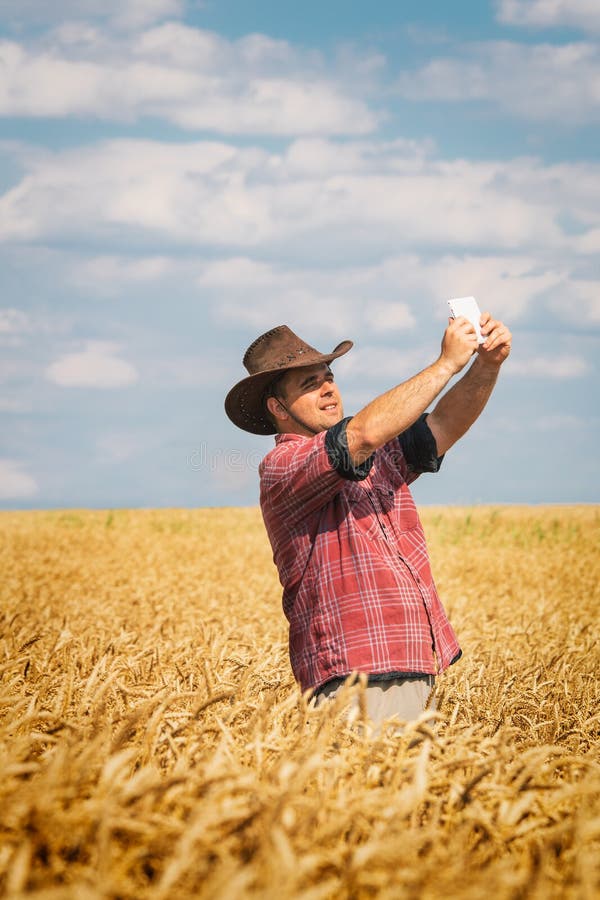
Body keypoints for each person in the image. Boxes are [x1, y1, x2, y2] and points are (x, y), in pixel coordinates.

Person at [225, 313, 511, 728]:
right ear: (277, 408)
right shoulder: (281, 467)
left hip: (412, 661)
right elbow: (361, 435)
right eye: (309, 384)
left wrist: (487, 365)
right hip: (355, 674)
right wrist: (446, 364)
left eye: (328, 377)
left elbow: (444, 423)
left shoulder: (374, 457)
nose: (328, 389)